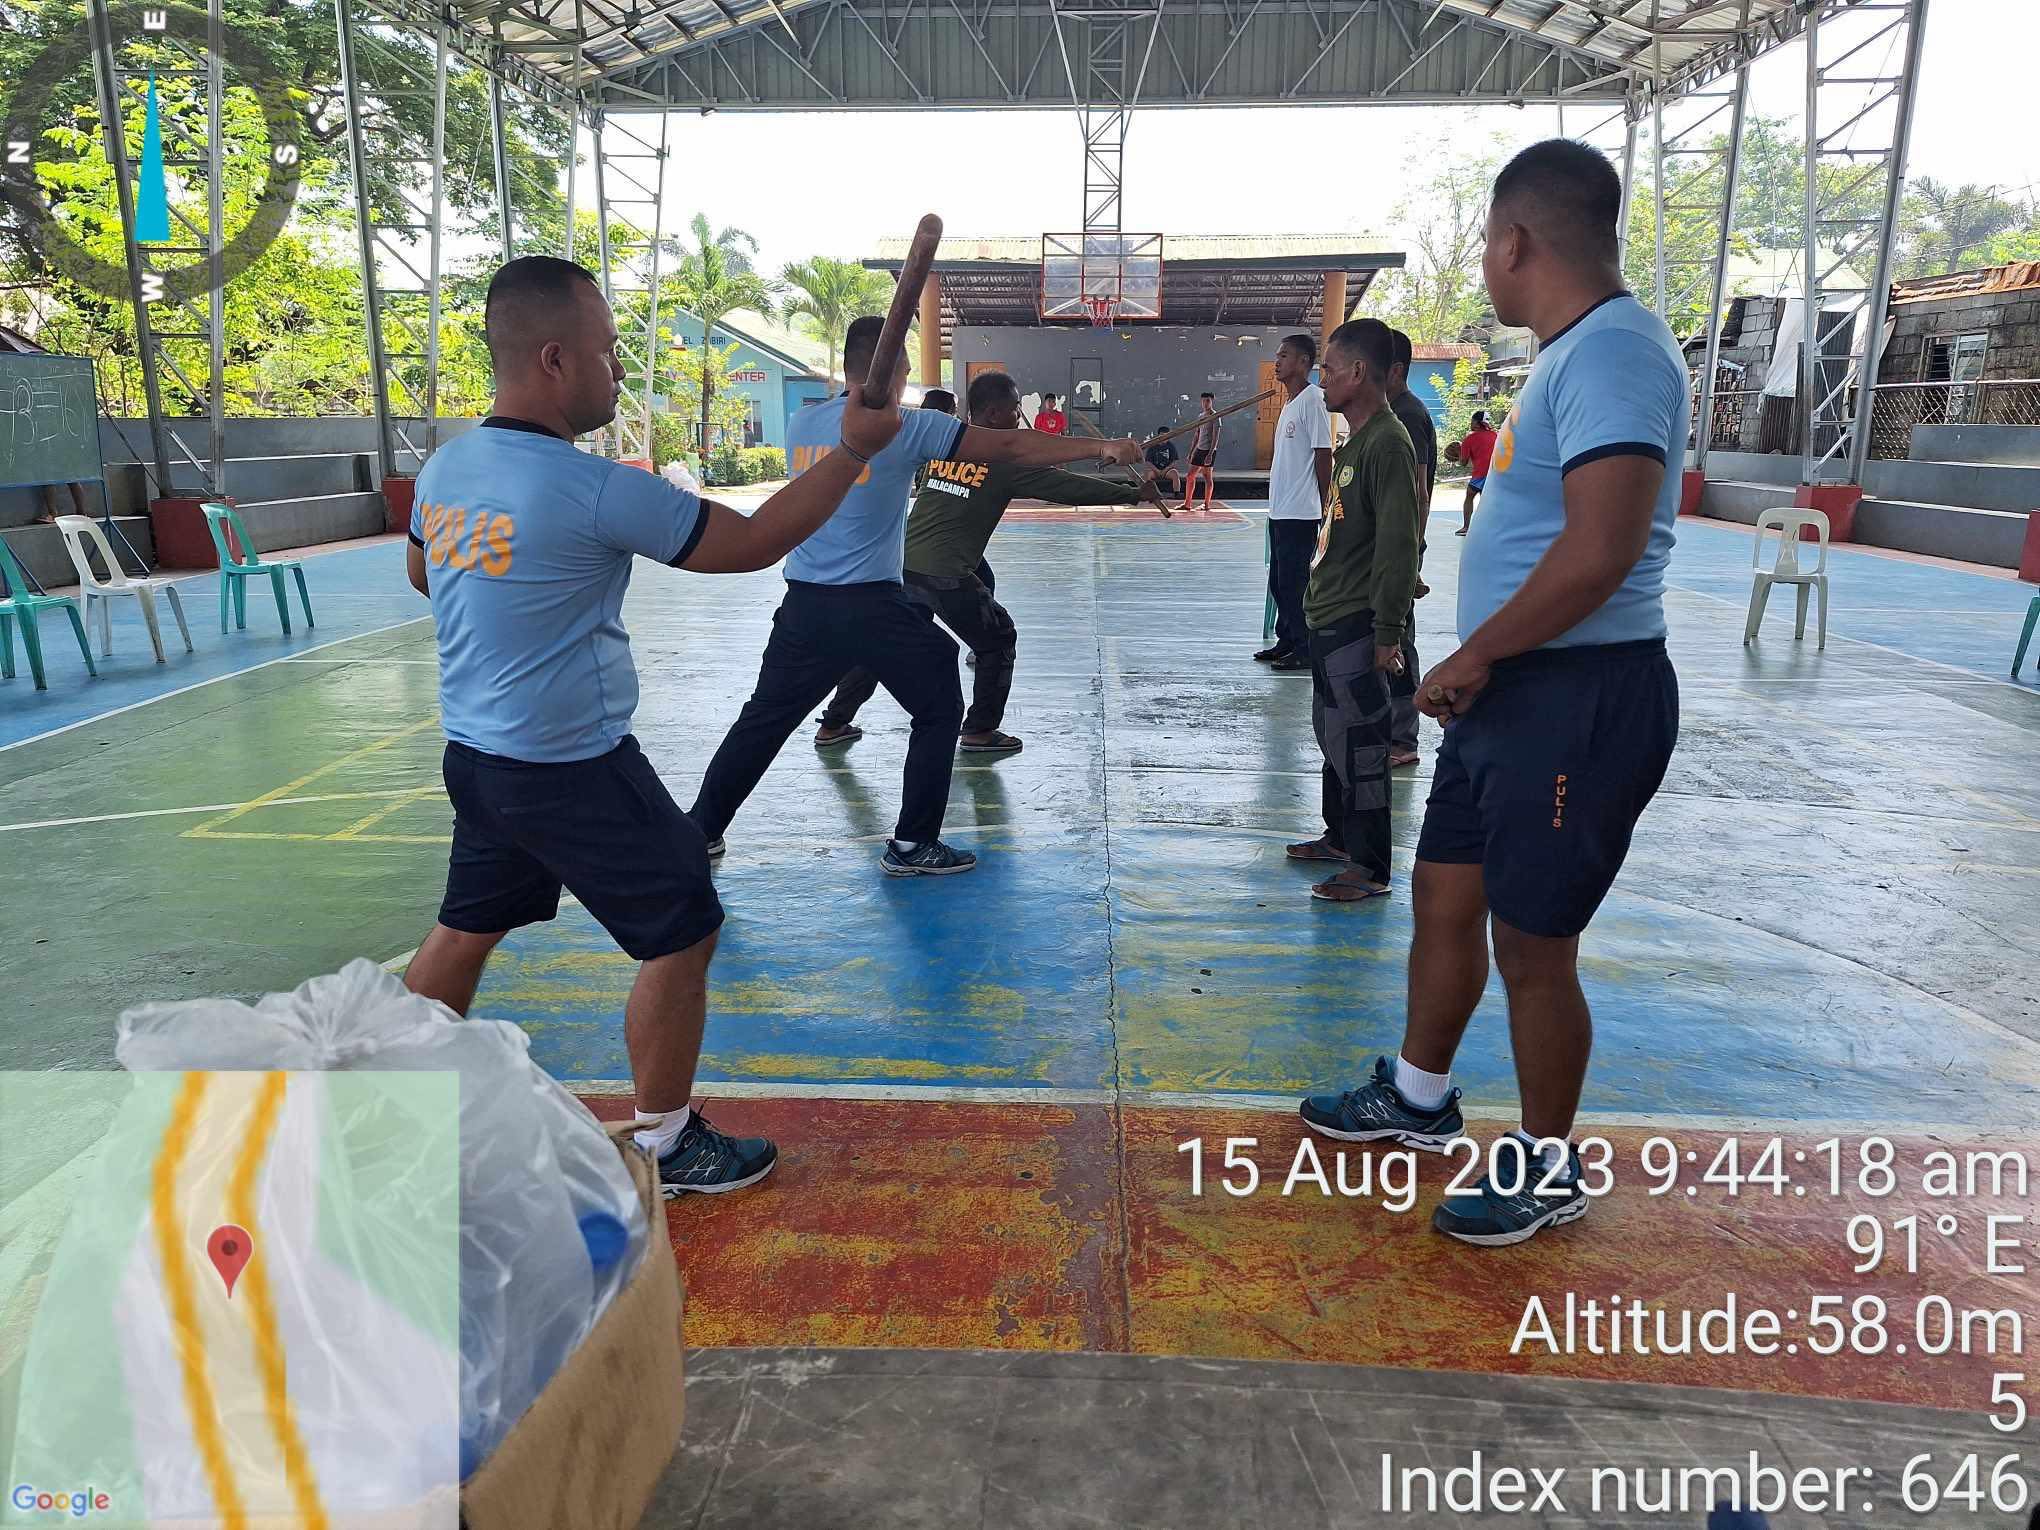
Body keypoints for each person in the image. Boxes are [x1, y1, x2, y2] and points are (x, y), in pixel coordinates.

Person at [398, 256, 903, 1196]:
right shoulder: (589, 486)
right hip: (570, 769)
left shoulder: (447, 466)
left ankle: (380, 1099)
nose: (618, 371)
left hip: (479, 757)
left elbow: (426, 576)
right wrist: (853, 452)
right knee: (684, 927)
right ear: (554, 360)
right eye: (607, 353)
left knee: (466, 927)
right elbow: (749, 545)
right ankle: (669, 1144)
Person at [1299, 138, 1686, 1248]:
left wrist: (1472, 656)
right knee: (1445, 899)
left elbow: (1600, 550)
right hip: (1516, 690)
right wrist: (1488, 668)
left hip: (1575, 693)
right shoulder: (1573, 355)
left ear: (1516, 241)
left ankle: (1549, 1164)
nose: (1484, 260)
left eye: (1484, 242)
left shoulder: (1615, 350)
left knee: (1533, 947)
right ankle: (1419, 1099)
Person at [688, 315, 1140, 877]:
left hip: (804, 599)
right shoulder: (904, 426)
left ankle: (701, 830)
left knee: (765, 718)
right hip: (869, 601)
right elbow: (1006, 447)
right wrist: (1105, 448)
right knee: (938, 705)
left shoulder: (805, 422)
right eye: (904, 359)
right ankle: (912, 844)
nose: (907, 369)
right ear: (894, 367)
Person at [815, 370, 1163, 754]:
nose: (1020, 416)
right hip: (943, 573)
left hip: (900, 566)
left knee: (882, 643)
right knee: (998, 639)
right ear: (995, 413)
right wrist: (1134, 492)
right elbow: (1065, 487)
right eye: (1015, 408)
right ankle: (980, 731)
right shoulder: (1002, 459)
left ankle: (833, 724)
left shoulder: (945, 446)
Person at [1282, 318, 1420, 903]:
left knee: (1362, 746)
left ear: (1359, 373)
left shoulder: (1387, 442)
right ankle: (1339, 837)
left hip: (1357, 622)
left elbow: (1397, 543)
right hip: (1328, 616)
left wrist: (1389, 631)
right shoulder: (1356, 441)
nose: (1323, 380)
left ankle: (1370, 867)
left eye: (1330, 370)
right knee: (1332, 731)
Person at [1255, 333, 1332, 672]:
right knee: (1279, 582)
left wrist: (1326, 501)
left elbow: (1323, 453)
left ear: (1304, 362)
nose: (1278, 361)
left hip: (1301, 512)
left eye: (1285, 355)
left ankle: (1304, 647)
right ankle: (1285, 639)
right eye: (1278, 355)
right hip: (1281, 510)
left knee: (1296, 583)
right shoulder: (1290, 403)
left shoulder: (1314, 399)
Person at [1385, 328, 1438, 766]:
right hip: (1396, 545)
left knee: (1399, 639)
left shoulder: (1408, 415)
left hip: (1404, 547)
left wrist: (1412, 553)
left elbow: (1419, 492)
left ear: (1395, 370)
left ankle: (1403, 739)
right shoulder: (1394, 412)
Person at [1457, 409, 1499, 534]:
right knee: (1489, 502)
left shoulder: (1469, 440)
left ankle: (1466, 527)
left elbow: (1463, 462)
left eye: (1472, 420)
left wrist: (1459, 453)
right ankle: (1491, 527)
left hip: (1479, 475)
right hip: (1494, 475)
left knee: (1469, 497)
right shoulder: (1496, 436)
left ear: (1476, 423)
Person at [1182, 392, 1220, 512]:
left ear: (1212, 401)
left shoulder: (1215, 416)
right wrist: (1191, 451)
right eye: (1203, 401)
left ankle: (1207, 504)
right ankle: (1187, 503)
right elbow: (1197, 434)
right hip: (1199, 449)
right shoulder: (1201, 416)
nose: (1205, 403)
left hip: (1208, 450)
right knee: (1190, 476)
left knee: (1207, 476)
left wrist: (1210, 454)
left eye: (1208, 401)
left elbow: (1215, 437)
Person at [1143, 431, 1182, 499]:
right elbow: (1148, 462)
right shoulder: (1152, 446)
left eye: (1166, 436)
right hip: (1155, 471)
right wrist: (1156, 470)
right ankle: (1149, 494)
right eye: (1162, 436)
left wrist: (1166, 469)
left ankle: (1177, 493)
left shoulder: (1171, 446)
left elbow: (1175, 461)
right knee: (1147, 474)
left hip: (1167, 471)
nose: (1164, 438)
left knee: (1175, 473)